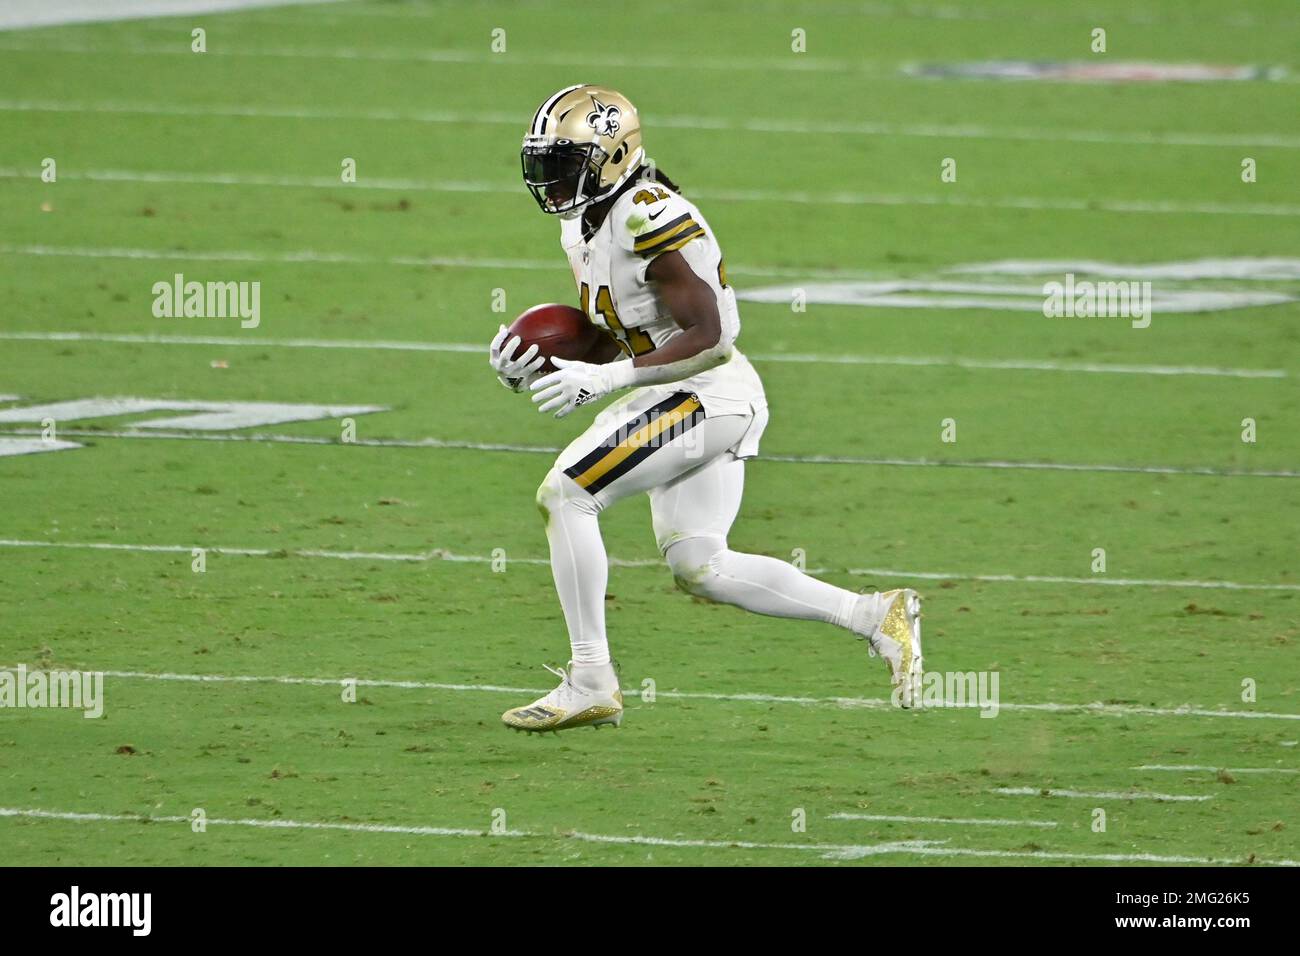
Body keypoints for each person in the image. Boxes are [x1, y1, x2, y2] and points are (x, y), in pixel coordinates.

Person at [489, 85, 922, 732]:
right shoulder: (587, 218)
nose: (550, 179)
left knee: (567, 493)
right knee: (702, 565)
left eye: (565, 162)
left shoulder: (648, 214)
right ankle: (875, 614)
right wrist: (544, 358)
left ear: (611, 156)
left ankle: (590, 679)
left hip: (708, 393)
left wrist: (603, 381)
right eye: (544, 162)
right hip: (684, 392)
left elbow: (710, 338)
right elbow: (632, 325)